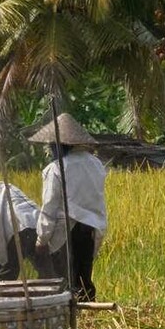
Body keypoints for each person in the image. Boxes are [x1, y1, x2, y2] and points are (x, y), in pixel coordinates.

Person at [31, 112, 108, 301]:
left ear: (60, 145)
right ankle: (88, 315)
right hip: (91, 227)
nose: (50, 151)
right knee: (83, 277)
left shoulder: (56, 168)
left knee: (65, 279)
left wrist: (41, 239)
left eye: (51, 147)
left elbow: (49, 206)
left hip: (66, 230)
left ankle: (69, 318)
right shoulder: (96, 164)